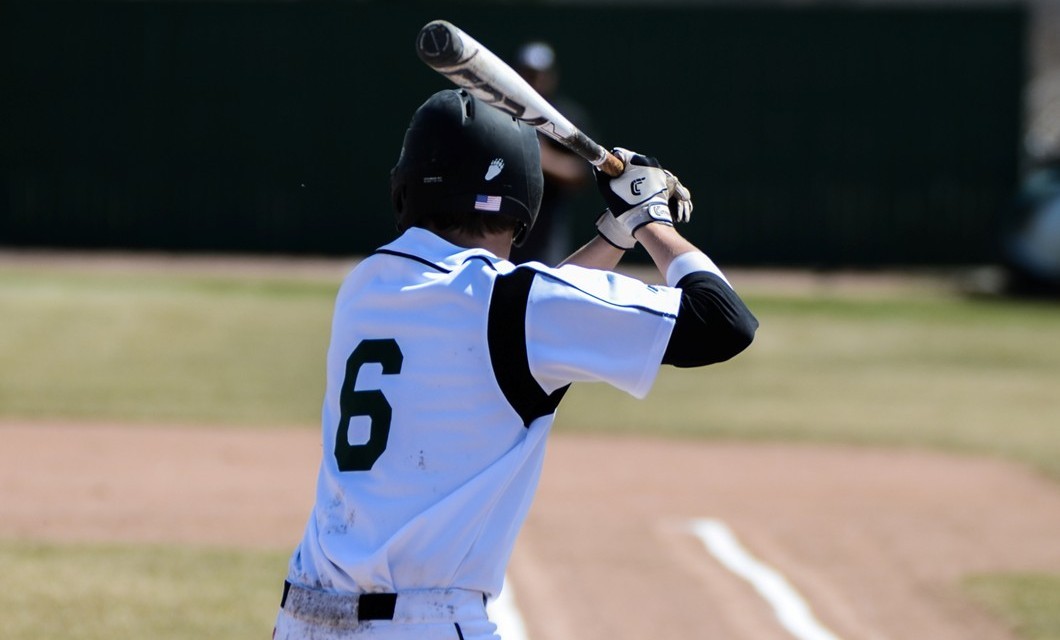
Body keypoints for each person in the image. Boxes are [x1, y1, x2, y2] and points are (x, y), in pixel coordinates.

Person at [273, 88, 758, 640]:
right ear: (520, 195)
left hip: (304, 618)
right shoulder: (512, 308)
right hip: (423, 624)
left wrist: (612, 234)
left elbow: (528, 323)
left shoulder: (366, 286)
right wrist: (650, 220)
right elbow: (723, 323)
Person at [507, 41, 595, 265]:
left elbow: (583, 173)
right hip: (499, 218)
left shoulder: (566, 119)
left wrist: (540, 158)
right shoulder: (498, 112)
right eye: (528, 73)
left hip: (545, 227)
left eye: (539, 74)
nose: (534, 80)